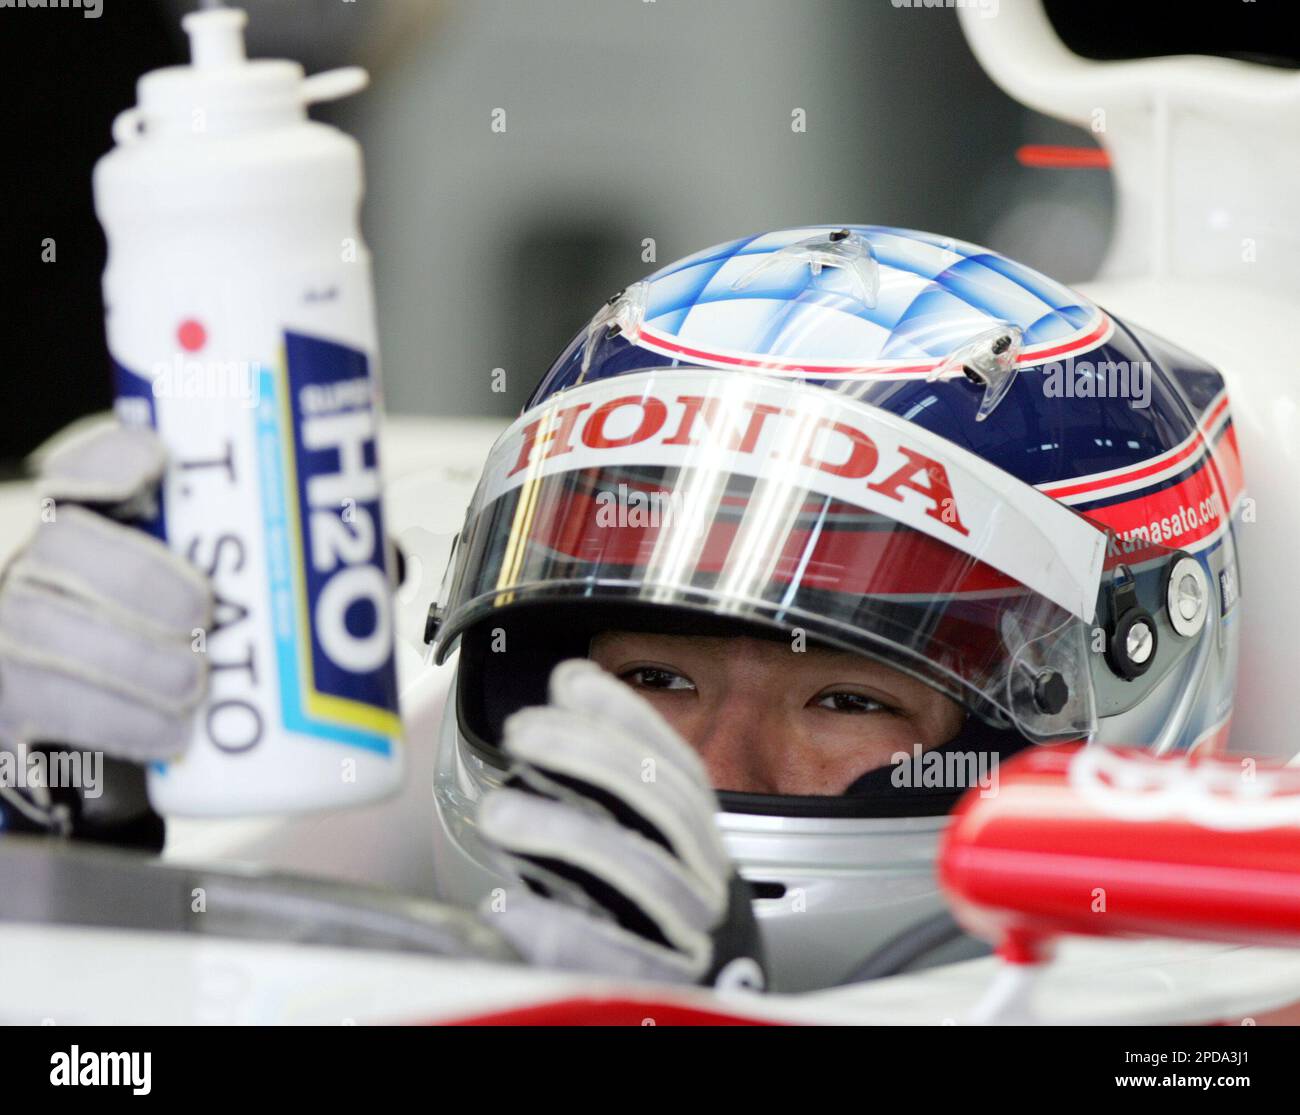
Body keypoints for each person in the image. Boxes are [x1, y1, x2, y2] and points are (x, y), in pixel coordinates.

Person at [0, 226, 1246, 994]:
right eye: (654, 677)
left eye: (847, 695)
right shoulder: (329, 827)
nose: (698, 770)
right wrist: (55, 900)